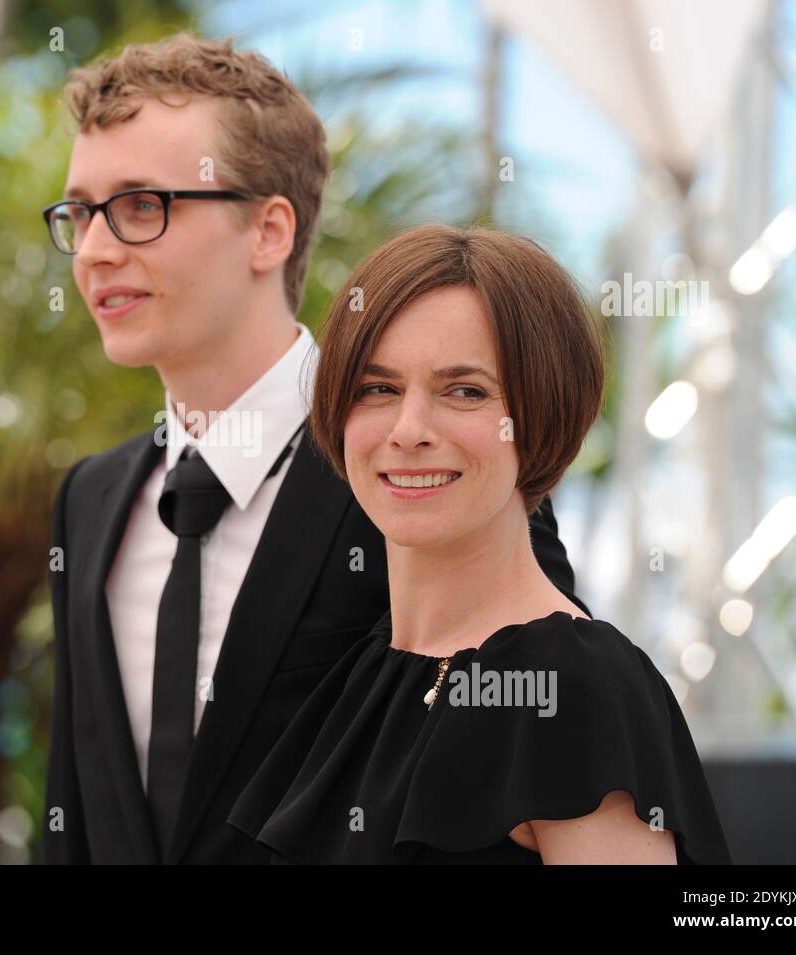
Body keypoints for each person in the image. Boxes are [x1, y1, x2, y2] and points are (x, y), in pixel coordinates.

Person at [40, 34, 585, 865]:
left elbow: (535, 759)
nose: (94, 248)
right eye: (79, 212)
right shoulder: (88, 502)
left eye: (141, 205)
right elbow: (74, 820)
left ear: (269, 230)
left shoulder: (426, 471)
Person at [226, 224, 734, 864]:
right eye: (378, 389)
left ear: (542, 412)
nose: (409, 430)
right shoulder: (366, 674)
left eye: (464, 391)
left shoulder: (575, 685)